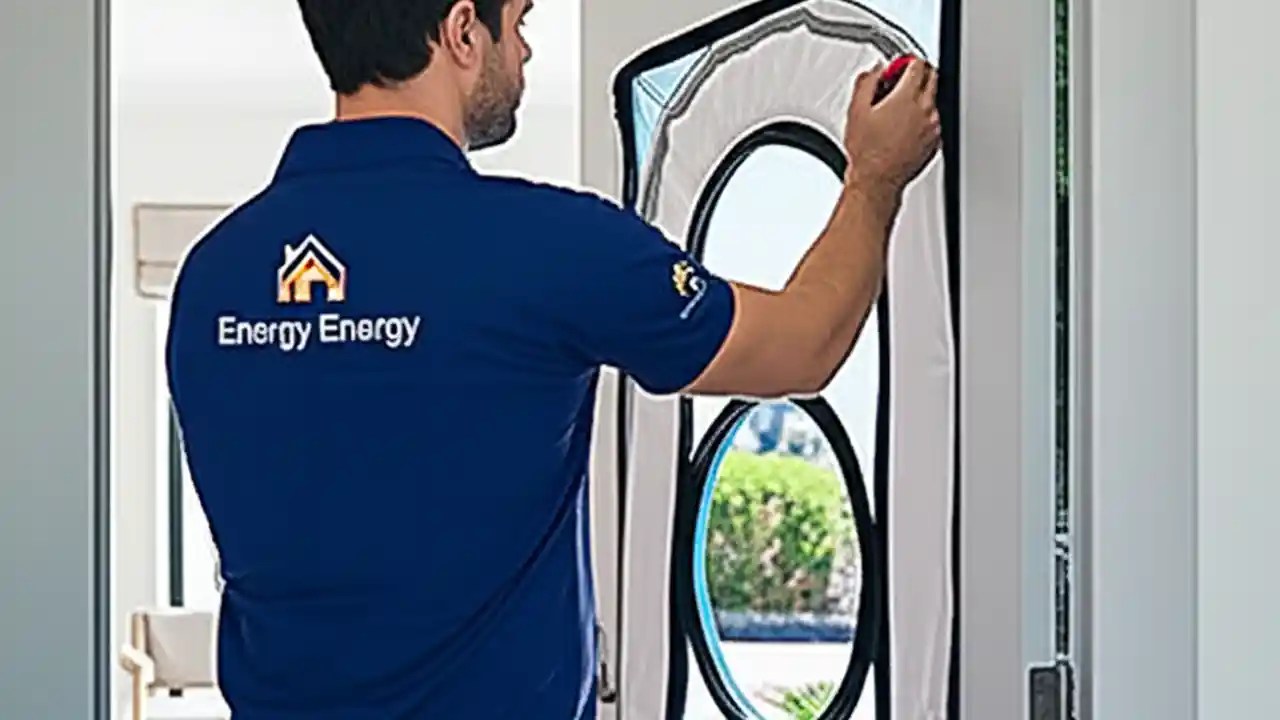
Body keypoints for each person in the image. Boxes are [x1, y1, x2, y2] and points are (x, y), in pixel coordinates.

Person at [164, 1, 941, 718]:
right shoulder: (549, 248)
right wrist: (875, 176)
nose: (526, 49)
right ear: (463, 30)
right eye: (520, 20)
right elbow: (801, 346)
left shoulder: (209, 280)